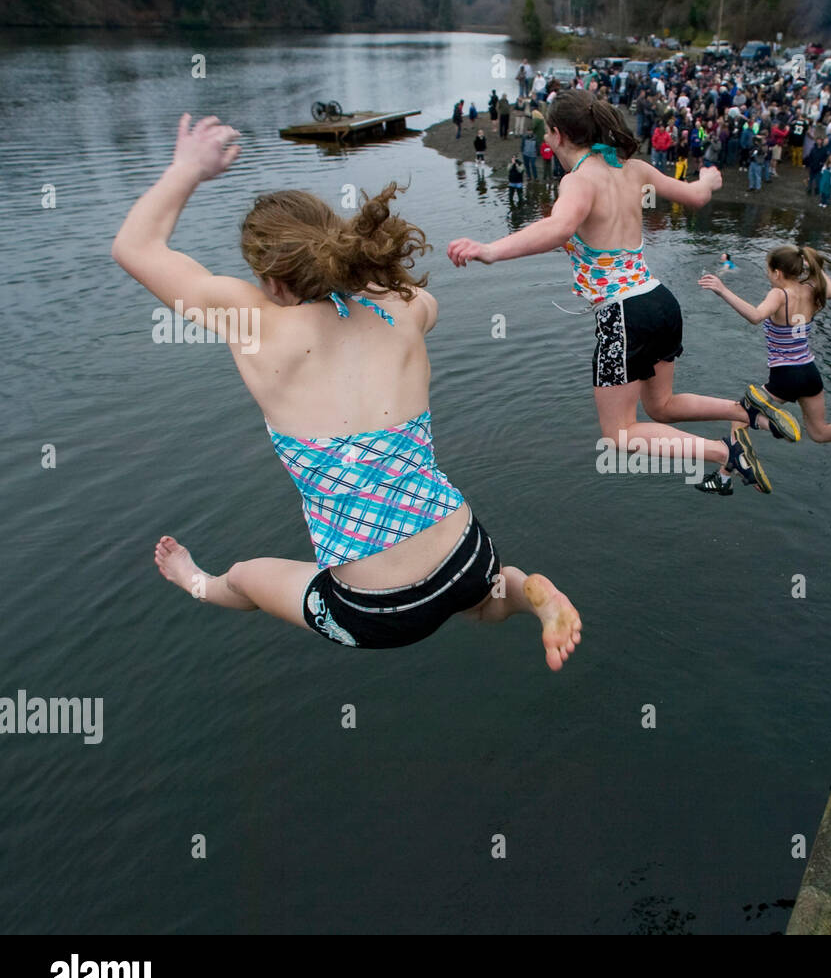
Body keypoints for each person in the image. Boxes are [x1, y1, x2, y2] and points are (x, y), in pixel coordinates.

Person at [112, 115, 580, 666]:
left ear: (271, 280)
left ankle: (195, 580)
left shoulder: (254, 324)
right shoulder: (400, 310)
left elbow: (135, 247)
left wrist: (187, 168)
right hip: (467, 552)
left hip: (377, 608)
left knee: (240, 580)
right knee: (480, 601)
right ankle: (529, 594)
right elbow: (425, 305)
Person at [446, 89, 791, 494]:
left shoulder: (577, 182)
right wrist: (708, 179)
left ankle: (725, 453)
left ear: (556, 135)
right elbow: (697, 197)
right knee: (659, 406)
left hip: (624, 314)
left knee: (618, 434)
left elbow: (557, 228)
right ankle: (747, 411)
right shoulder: (635, 168)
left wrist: (490, 250)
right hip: (660, 301)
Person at [694, 245, 831, 495]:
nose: (768, 275)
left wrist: (723, 290)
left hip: (785, 375)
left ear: (778, 272)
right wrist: (814, 267)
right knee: (819, 431)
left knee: (738, 416)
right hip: (809, 373)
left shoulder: (780, 294)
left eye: (769, 270)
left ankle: (725, 477)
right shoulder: (811, 289)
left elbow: (756, 316)